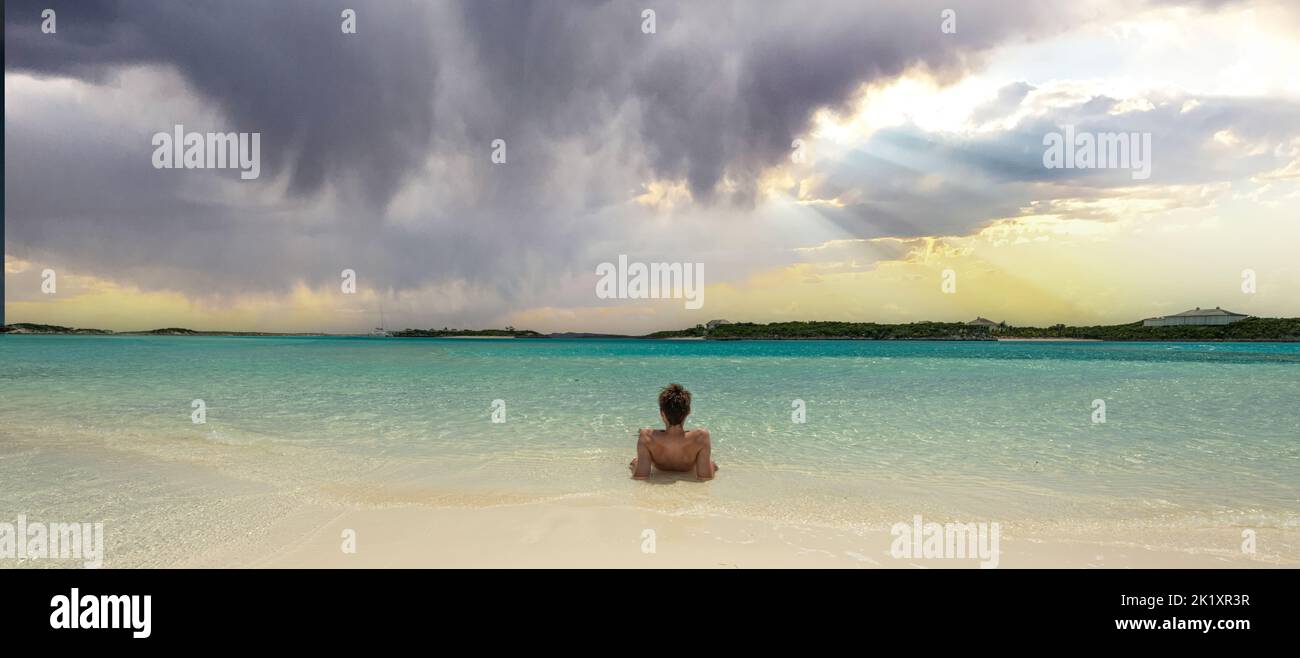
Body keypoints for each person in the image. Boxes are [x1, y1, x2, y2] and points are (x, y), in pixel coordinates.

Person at [629, 383, 718, 480]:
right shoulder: (701, 437)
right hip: (687, 471)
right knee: (712, 464)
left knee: (635, 462)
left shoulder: (646, 437)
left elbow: (641, 477)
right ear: (688, 412)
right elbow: (705, 477)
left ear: (662, 413)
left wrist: (634, 466)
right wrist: (712, 467)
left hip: (661, 470)